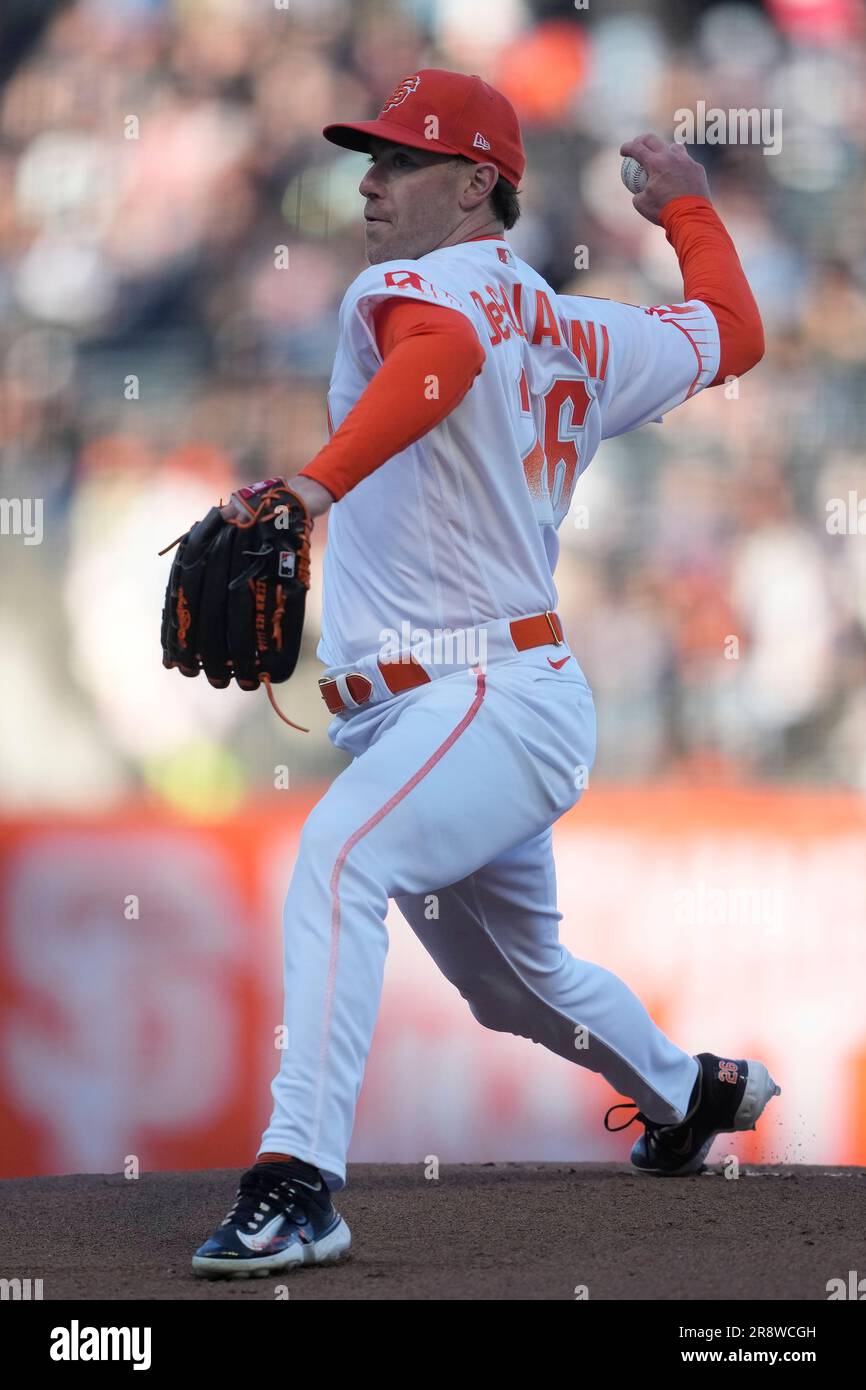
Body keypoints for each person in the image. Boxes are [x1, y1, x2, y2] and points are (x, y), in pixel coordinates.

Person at [192, 69, 775, 1278]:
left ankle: (297, 1181)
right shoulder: (586, 328)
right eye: (370, 158)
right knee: (515, 987)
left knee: (342, 855)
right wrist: (687, 211)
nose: (369, 180)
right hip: (476, 702)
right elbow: (731, 331)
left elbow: (442, 357)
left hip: (478, 696)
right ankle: (692, 1092)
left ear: (473, 185)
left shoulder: (414, 289)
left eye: (400, 160)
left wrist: (308, 488)